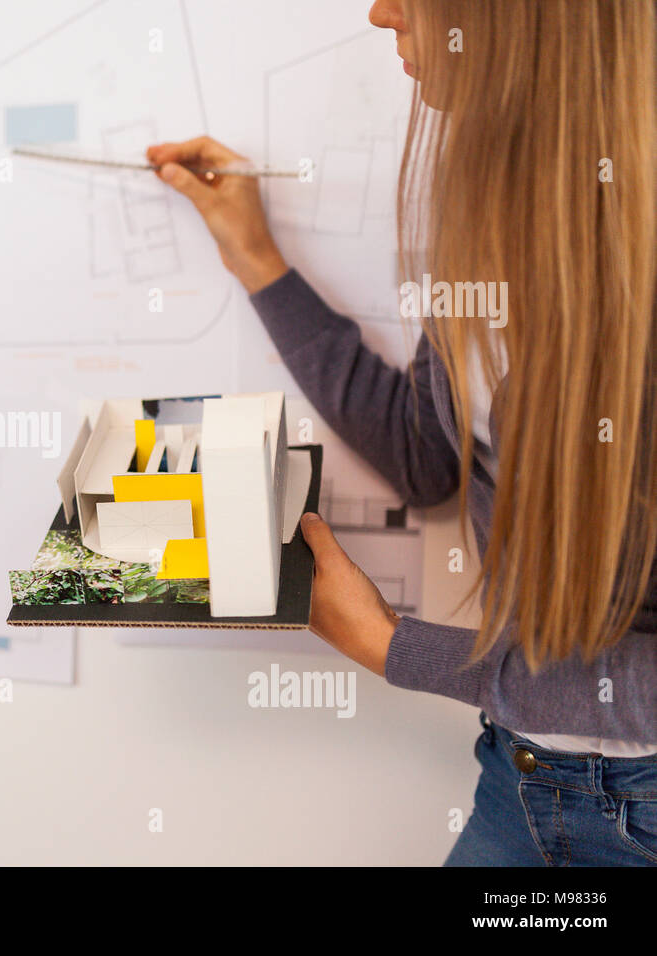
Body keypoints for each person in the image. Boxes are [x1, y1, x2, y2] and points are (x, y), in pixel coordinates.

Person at [149, 0, 657, 865]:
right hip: (520, 777)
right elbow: (428, 450)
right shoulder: (504, 228)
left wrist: (397, 649)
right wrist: (257, 261)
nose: (382, 11)